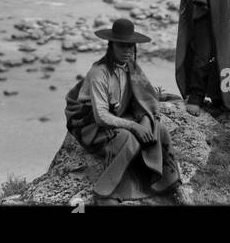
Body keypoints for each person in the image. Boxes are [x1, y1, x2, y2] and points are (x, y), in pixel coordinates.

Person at [64, 17, 184, 201]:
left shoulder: (132, 67)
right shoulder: (99, 73)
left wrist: (145, 120)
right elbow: (101, 116)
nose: (127, 51)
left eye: (130, 46)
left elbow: (146, 98)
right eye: (122, 46)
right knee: (127, 138)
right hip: (88, 122)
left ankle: (166, 181)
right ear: (111, 46)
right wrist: (134, 126)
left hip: (118, 114)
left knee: (158, 129)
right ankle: (108, 192)